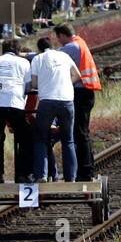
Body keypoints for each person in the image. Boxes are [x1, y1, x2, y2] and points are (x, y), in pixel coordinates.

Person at [0, 38, 33, 183]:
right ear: (18, 50)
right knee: (24, 138)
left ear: (3, 50)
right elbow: (29, 87)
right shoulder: (24, 62)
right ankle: (23, 173)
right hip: (15, 104)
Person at [30, 35, 81, 182]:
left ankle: (42, 175)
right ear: (52, 46)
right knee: (68, 140)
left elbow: (33, 84)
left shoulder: (38, 59)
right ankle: (71, 177)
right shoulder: (64, 55)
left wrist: (46, 85)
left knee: (41, 138)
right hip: (67, 101)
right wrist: (65, 84)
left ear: (39, 49)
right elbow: (77, 75)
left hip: (47, 102)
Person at [55, 22, 100, 181]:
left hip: (81, 93)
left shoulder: (72, 47)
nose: (58, 41)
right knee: (82, 133)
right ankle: (86, 169)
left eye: (58, 38)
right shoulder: (80, 42)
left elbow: (52, 56)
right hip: (86, 93)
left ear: (61, 35)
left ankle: (86, 172)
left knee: (80, 133)